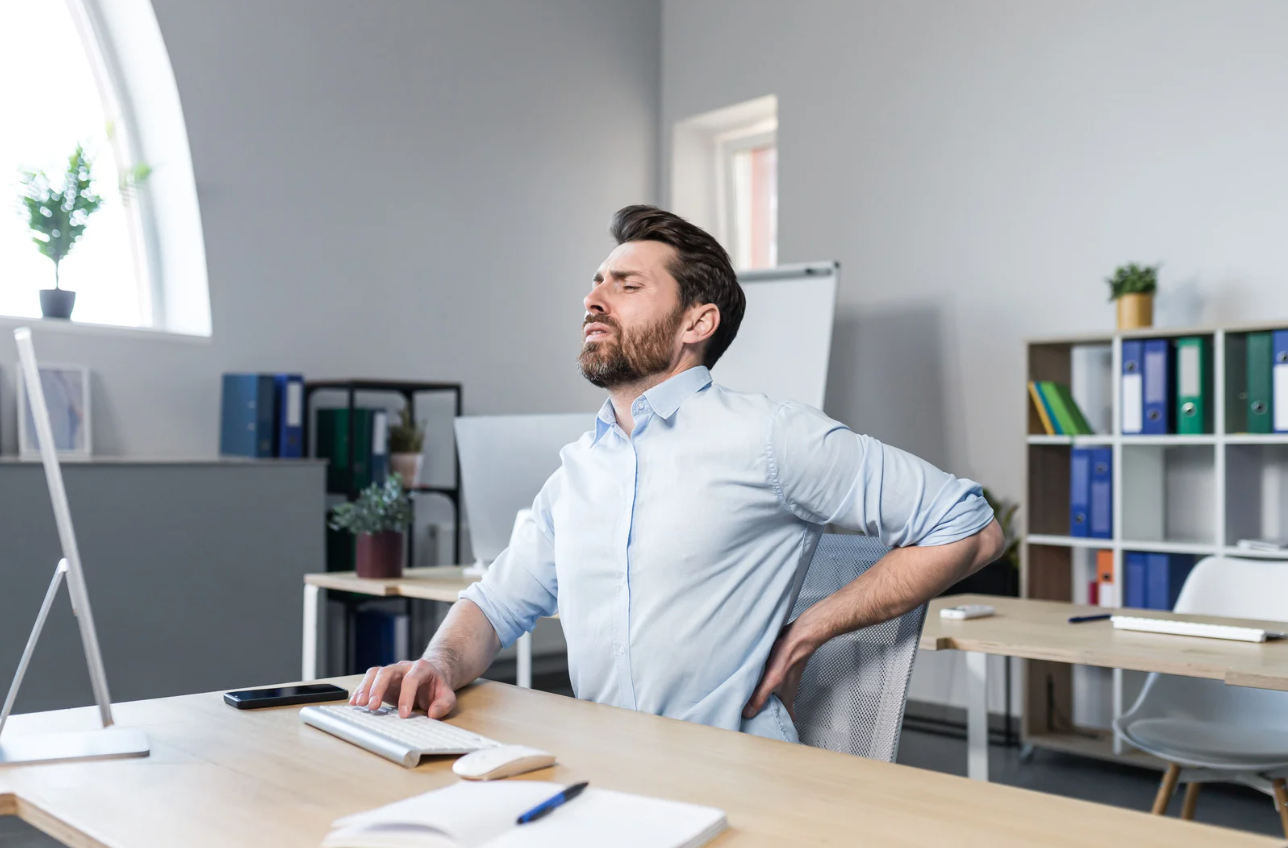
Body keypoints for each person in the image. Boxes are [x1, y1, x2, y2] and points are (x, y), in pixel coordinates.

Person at [352, 205, 1003, 742]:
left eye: (626, 285)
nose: (593, 298)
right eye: (596, 282)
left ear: (698, 321)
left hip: (735, 781)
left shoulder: (769, 436)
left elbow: (969, 526)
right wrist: (438, 663)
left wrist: (813, 626)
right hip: (607, 776)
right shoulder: (579, 471)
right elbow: (493, 606)